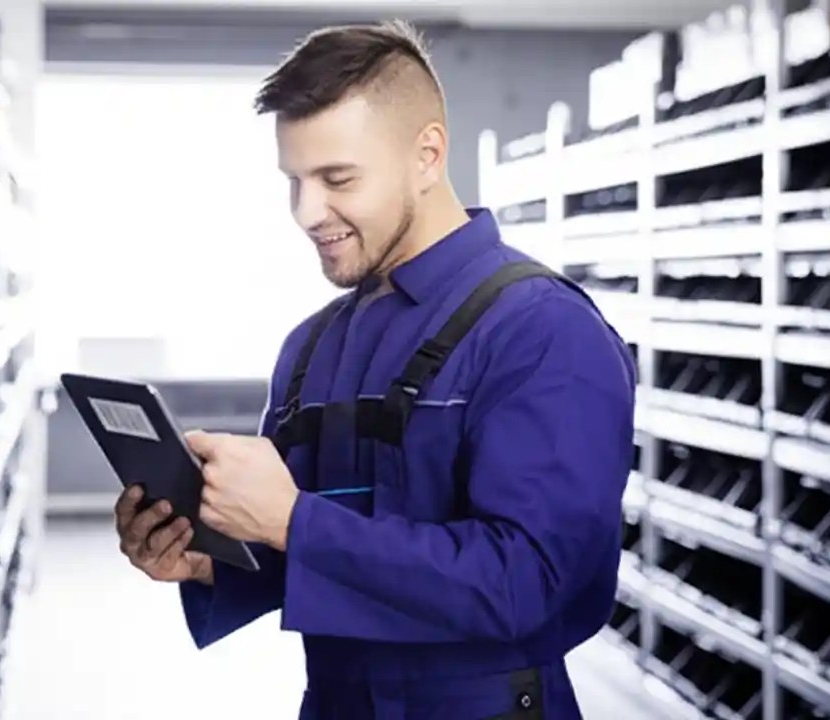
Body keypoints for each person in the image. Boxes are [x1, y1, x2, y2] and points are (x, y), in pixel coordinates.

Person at [113, 19, 636, 720]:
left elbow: (528, 582)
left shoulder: (542, 331)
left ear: (427, 155)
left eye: (338, 179)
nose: (307, 212)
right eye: (293, 181)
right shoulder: (311, 347)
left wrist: (295, 523)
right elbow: (309, 546)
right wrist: (212, 559)